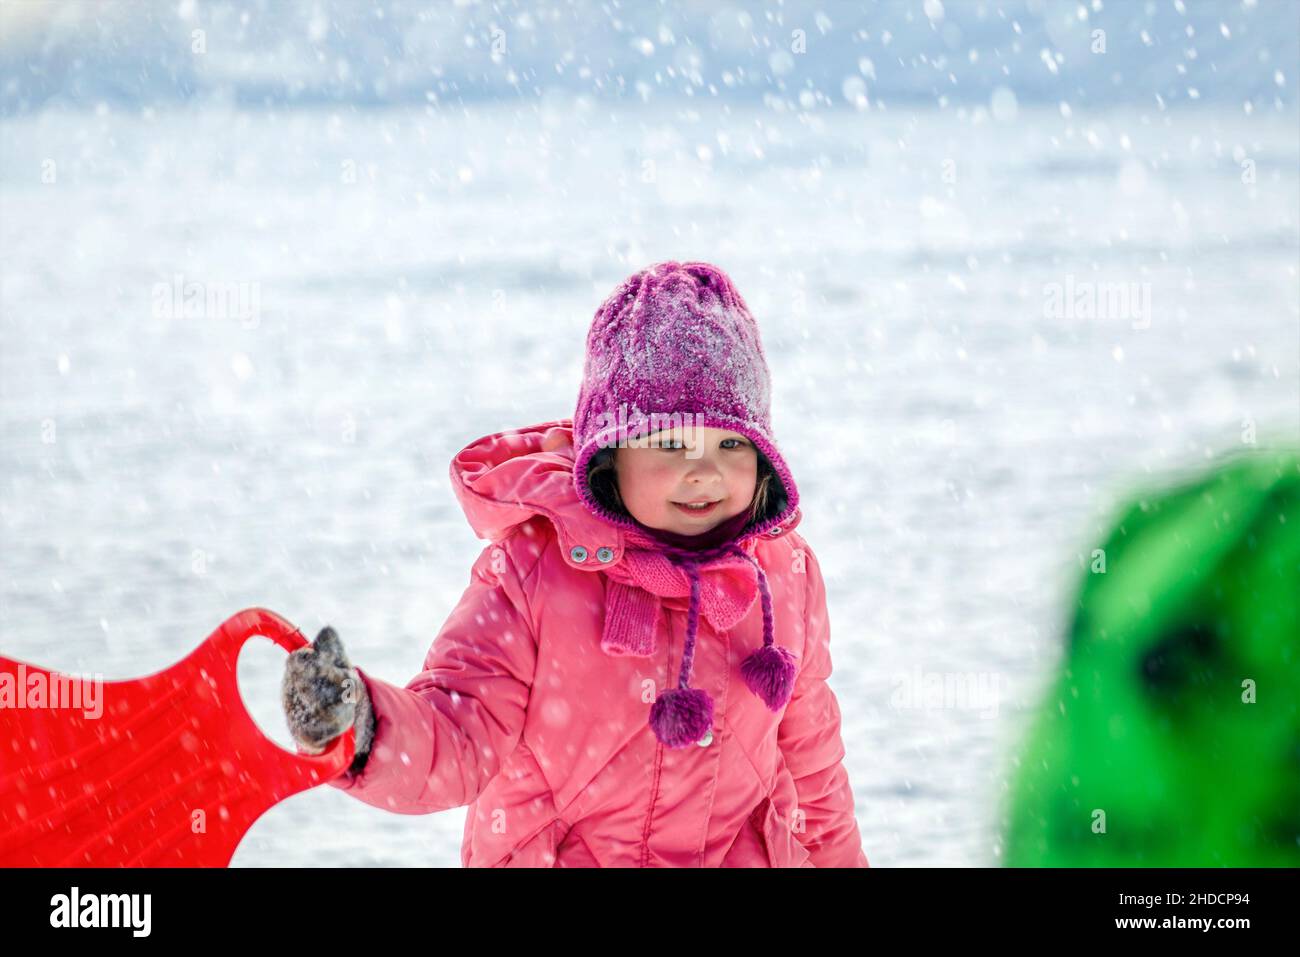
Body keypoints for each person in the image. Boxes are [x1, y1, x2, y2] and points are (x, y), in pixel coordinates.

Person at [281, 260, 870, 867]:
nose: (705, 471)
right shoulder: (536, 571)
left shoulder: (782, 577)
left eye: (730, 443)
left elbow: (814, 774)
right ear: (609, 458)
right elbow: (459, 729)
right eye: (671, 443)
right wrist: (360, 726)